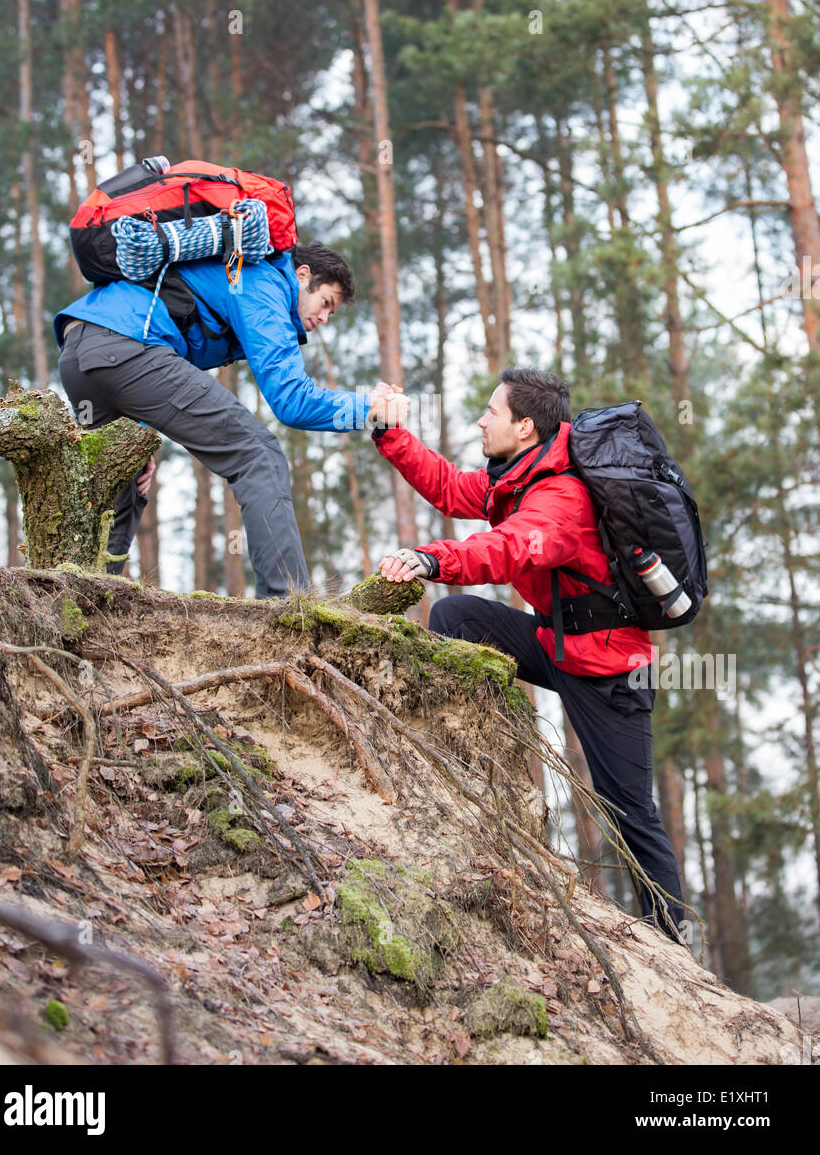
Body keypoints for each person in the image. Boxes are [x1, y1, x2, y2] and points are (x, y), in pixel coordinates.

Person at [371, 367, 685, 939]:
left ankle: (672, 936)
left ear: (523, 426)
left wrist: (432, 558)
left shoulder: (561, 496)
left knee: (629, 811)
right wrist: (391, 433)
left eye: (490, 413)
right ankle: (466, 745)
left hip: (611, 675)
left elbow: (510, 548)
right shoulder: (518, 478)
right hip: (556, 644)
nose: (479, 421)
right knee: (454, 617)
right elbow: (447, 486)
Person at [55, 241, 393, 597]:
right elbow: (293, 401)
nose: (324, 318)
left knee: (122, 477)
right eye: (326, 302)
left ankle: (83, 600)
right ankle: (288, 605)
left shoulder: (239, 274)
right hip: (125, 346)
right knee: (258, 455)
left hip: (79, 349)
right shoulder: (265, 283)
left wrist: (136, 435)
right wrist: (369, 407)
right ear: (303, 274)